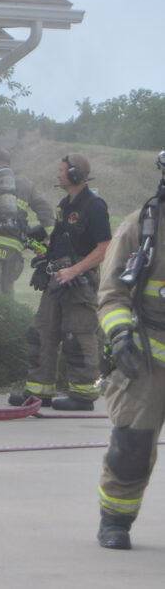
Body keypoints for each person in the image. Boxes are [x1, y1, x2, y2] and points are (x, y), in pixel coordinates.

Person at [93, 151, 165, 550]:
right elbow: (112, 293)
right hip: (146, 361)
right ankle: (116, 521)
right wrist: (120, 337)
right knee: (132, 448)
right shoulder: (141, 227)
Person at [9, 153, 111, 410]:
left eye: (62, 170)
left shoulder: (95, 206)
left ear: (76, 174)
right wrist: (42, 248)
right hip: (58, 279)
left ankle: (83, 396)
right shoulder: (65, 204)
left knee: (78, 336)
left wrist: (75, 270)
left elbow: (104, 248)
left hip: (80, 282)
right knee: (41, 332)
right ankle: (38, 392)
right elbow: (61, 242)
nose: (58, 174)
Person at [0, 148, 54, 296]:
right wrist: (50, 238)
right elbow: (46, 211)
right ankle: (11, 318)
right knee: (8, 288)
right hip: (13, 247)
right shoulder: (25, 184)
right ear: (9, 164)